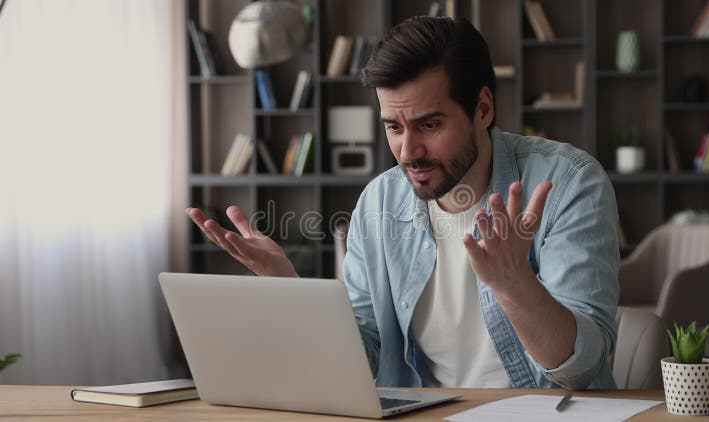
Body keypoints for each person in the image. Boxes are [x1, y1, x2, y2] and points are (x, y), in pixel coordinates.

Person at [187, 16, 619, 390]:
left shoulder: (567, 183)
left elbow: (581, 369)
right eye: (393, 126)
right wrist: (290, 290)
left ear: (483, 109)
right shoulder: (379, 200)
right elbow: (362, 356)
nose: (408, 151)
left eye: (429, 125)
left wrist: (515, 285)